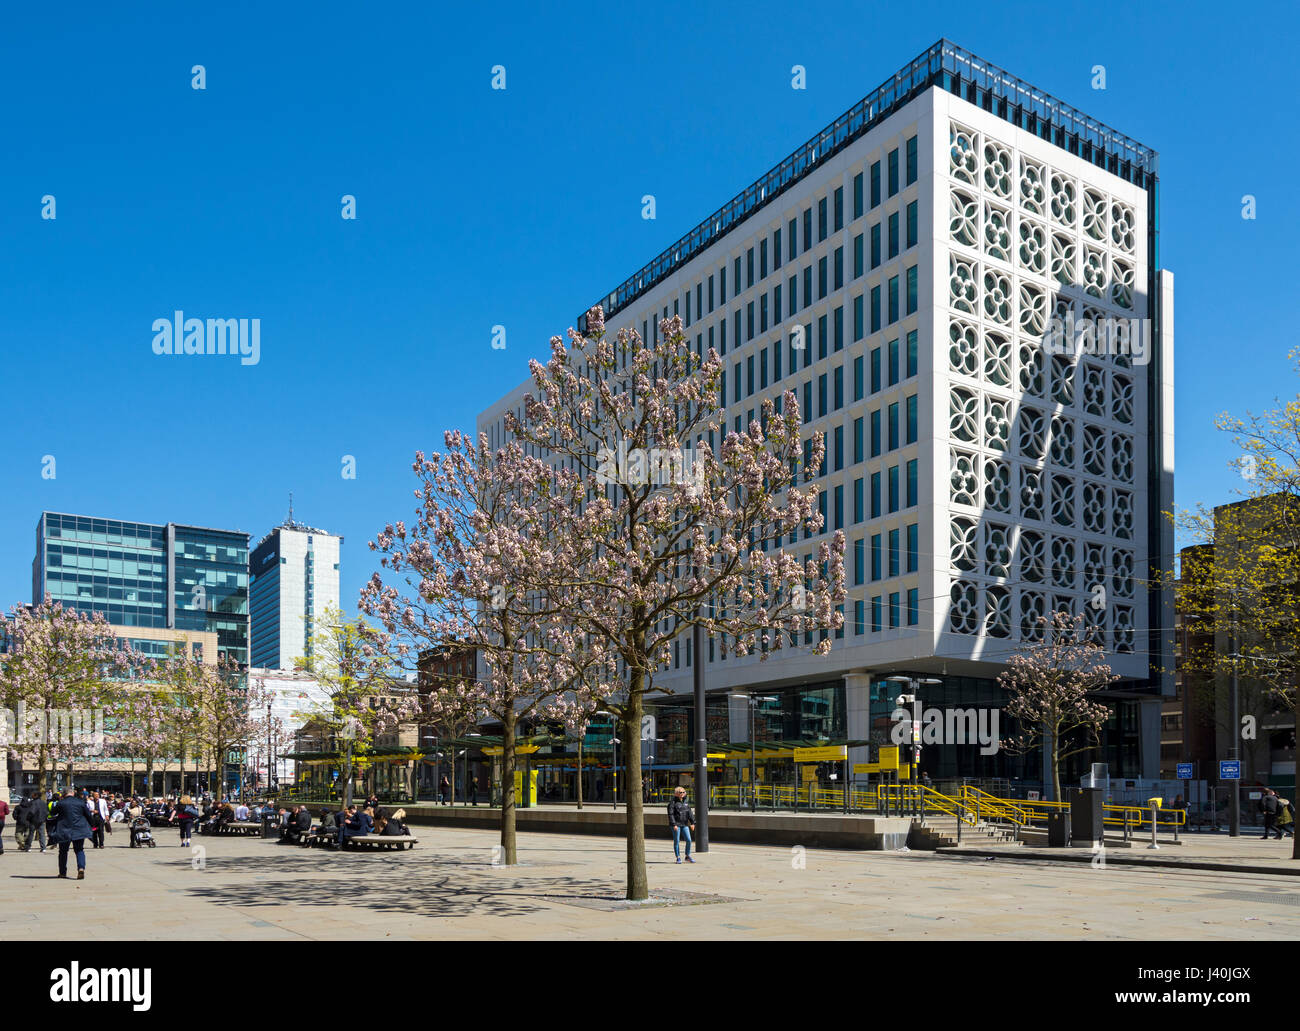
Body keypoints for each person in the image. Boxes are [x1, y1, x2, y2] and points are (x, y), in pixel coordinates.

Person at [48, 788, 93, 880]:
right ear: (73, 793)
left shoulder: (61, 803)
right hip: (79, 830)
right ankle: (81, 868)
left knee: (63, 852)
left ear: (64, 794)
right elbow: (88, 815)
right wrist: (92, 825)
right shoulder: (80, 802)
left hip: (64, 830)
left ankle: (62, 872)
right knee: (79, 850)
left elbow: (52, 812)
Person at [667, 787, 696, 864]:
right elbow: (671, 814)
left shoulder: (686, 803)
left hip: (684, 824)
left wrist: (693, 823)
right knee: (677, 841)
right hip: (676, 825)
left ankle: (687, 856)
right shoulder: (672, 803)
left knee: (689, 840)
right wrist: (674, 824)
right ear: (676, 793)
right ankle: (678, 857)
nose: (682, 793)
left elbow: (690, 813)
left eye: (684, 792)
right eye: (680, 792)